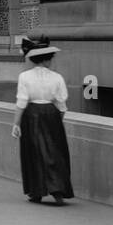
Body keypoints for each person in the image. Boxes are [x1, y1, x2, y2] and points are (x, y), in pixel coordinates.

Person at [13, 34, 74, 205]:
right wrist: (56, 121)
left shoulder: (24, 77)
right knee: (56, 151)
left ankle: (36, 191)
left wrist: (16, 123)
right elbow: (62, 105)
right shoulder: (57, 77)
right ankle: (58, 189)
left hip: (31, 114)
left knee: (32, 151)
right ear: (47, 60)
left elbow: (21, 102)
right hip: (51, 113)